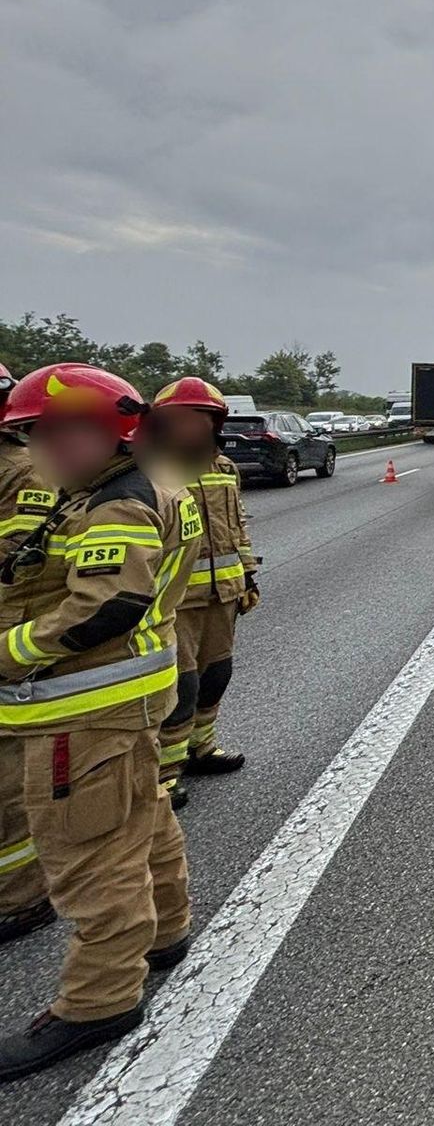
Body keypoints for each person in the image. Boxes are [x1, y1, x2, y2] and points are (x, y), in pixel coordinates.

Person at [0, 365, 194, 1081]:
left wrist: (10, 653)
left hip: (83, 709)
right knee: (143, 819)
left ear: (111, 431)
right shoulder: (114, 489)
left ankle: (98, 1000)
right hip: (121, 702)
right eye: (33, 433)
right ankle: (166, 932)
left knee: (91, 857)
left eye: (61, 432)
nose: (44, 447)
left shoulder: (118, 505)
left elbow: (107, 605)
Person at [141, 377, 257, 806]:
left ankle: (201, 747)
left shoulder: (224, 468)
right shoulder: (148, 472)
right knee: (180, 686)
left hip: (222, 594)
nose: (191, 427)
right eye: (181, 419)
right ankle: (165, 773)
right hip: (174, 602)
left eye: (200, 419)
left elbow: (237, 526)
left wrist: (247, 575)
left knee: (216, 675)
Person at [0, 363, 56, 945]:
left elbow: (20, 554)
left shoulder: (25, 471)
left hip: (10, 632)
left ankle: (22, 896)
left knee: (9, 774)